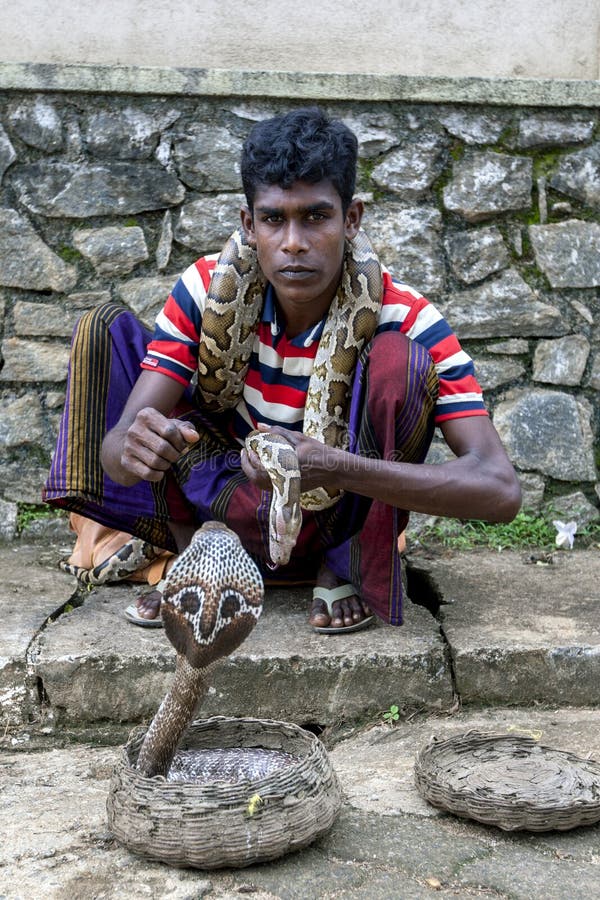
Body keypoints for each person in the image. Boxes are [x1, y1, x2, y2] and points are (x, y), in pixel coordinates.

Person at [44, 107, 521, 633]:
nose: (294, 241)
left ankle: (342, 565)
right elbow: (116, 458)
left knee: (398, 361)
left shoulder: (407, 315)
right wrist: (132, 446)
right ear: (249, 224)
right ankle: (191, 554)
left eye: (316, 216)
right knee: (103, 328)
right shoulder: (206, 289)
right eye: (274, 219)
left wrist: (337, 466)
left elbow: (499, 490)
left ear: (352, 218)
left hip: (332, 515)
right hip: (217, 497)